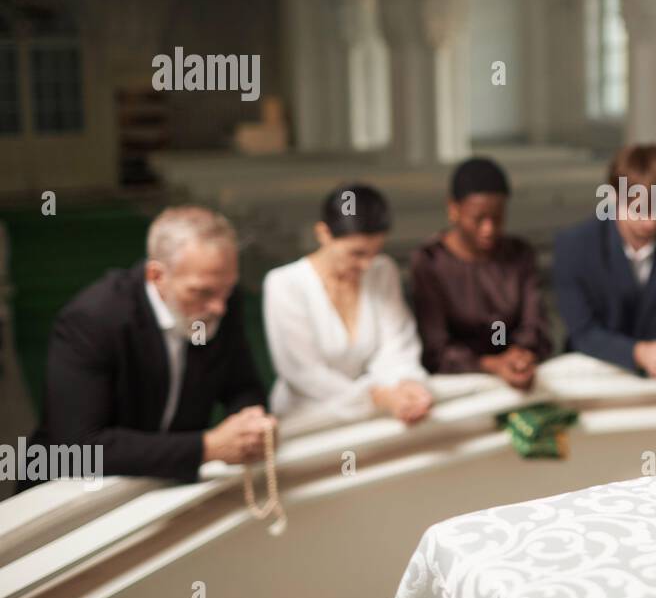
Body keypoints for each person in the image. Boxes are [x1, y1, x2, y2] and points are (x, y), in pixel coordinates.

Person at [19, 206, 272, 489]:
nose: (219, 307)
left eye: (227, 288)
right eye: (203, 292)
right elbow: (80, 447)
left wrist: (251, 423)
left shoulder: (219, 298)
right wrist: (207, 447)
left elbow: (242, 386)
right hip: (66, 495)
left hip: (164, 485)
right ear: (157, 276)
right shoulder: (93, 319)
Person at [263, 184, 432, 431]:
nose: (366, 265)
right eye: (356, 254)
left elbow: (396, 345)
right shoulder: (284, 284)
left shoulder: (381, 270)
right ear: (323, 234)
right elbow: (304, 373)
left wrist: (404, 383)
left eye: (374, 252)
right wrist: (376, 397)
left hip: (378, 412)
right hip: (308, 417)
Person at [553, 143, 656, 383]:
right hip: (593, 375)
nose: (650, 222)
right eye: (639, 209)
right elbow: (583, 331)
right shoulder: (574, 246)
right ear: (614, 196)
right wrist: (639, 353)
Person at [411, 157, 552, 389]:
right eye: (478, 219)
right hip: (461, 382)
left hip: (520, 372)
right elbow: (435, 348)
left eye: (497, 218)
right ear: (453, 209)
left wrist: (520, 354)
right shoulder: (430, 262)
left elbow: (535, 324)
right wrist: (491, 364)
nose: (489, 229)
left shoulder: (519, 254)